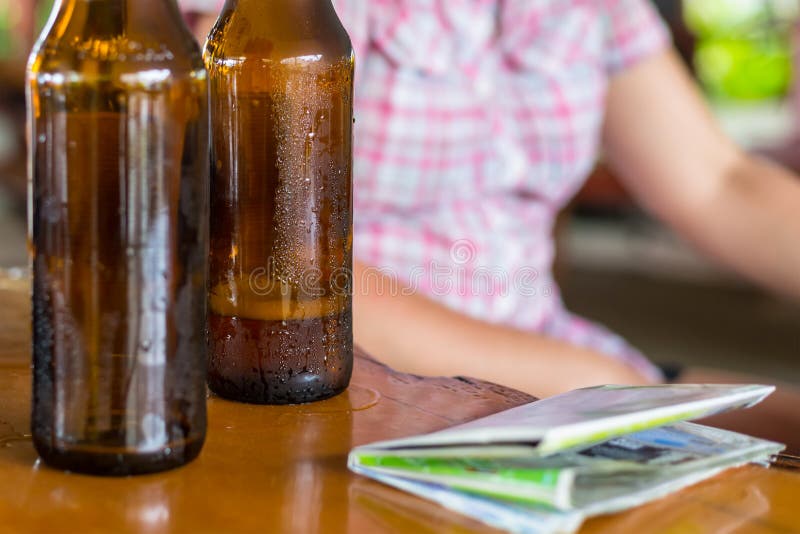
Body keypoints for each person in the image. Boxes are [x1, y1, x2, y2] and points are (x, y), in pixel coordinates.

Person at [192, 1, 800, 449]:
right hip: (372, 389)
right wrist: (592, 381)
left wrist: (596, 378)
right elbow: (255, 245)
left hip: (568, 355)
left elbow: (721, 184)